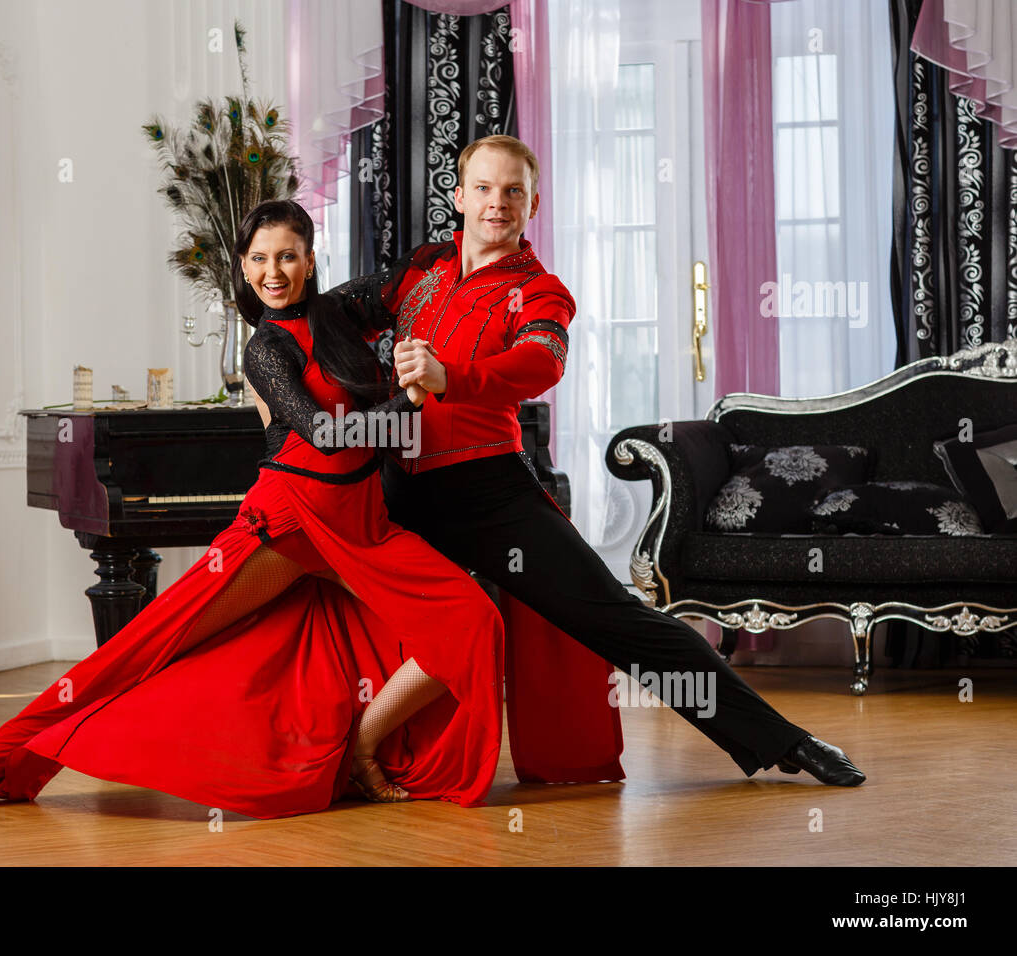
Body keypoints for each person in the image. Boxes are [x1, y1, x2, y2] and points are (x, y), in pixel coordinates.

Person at [0, 198, 617, 819]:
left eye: (287, 256)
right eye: (258, 259)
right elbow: (322, 433)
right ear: (242, 267)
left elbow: (416, 280)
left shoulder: (340, 317)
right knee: (145, 646)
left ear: (311, 260)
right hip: (289, 521)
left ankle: (362, 746)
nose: (272, 272)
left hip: (363, 526)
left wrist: (466, 257)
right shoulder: (266, 347)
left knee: (472, 623)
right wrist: (412, 397)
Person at [328, 134, 866, 787]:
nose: (497, 203)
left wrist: (452, 375)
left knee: (613, 615)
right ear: (459, 195)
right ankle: (330, 755)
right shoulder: (420, 271)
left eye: (513, 192)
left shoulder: (540, 291)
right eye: (485, 188)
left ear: (533, 204)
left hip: (485, 495)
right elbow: (326, 313)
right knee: (319, 591)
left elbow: (539, 362)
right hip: (394, 487)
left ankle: (784, 741)